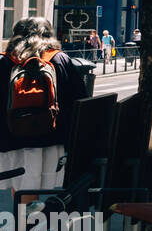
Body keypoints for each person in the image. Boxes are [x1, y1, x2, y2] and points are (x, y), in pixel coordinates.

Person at [0, 17, 89, 193]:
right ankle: (32, 218)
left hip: (11, 138)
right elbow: (80, 99)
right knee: (43, 191)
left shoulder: (6, 61)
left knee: (18, 187)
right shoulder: (59, 59)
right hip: (50, 138)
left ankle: (22, 218)